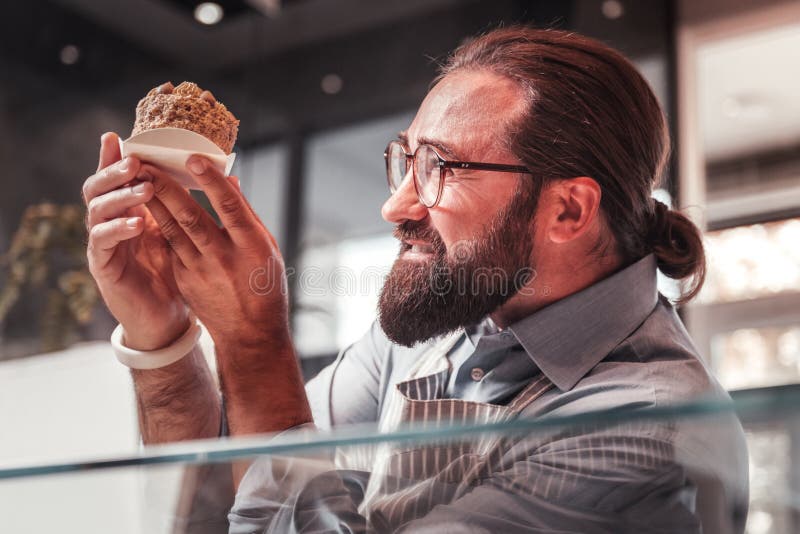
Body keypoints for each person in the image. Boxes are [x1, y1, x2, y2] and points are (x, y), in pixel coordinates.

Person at [82, 26, 748, 533]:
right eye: (404, 160)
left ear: (567, 210)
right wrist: (161, 332)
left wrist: (255, 345)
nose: (395, 206)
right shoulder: (424, 334)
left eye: (442, 169)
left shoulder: (644, 428)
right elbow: (220, 499)